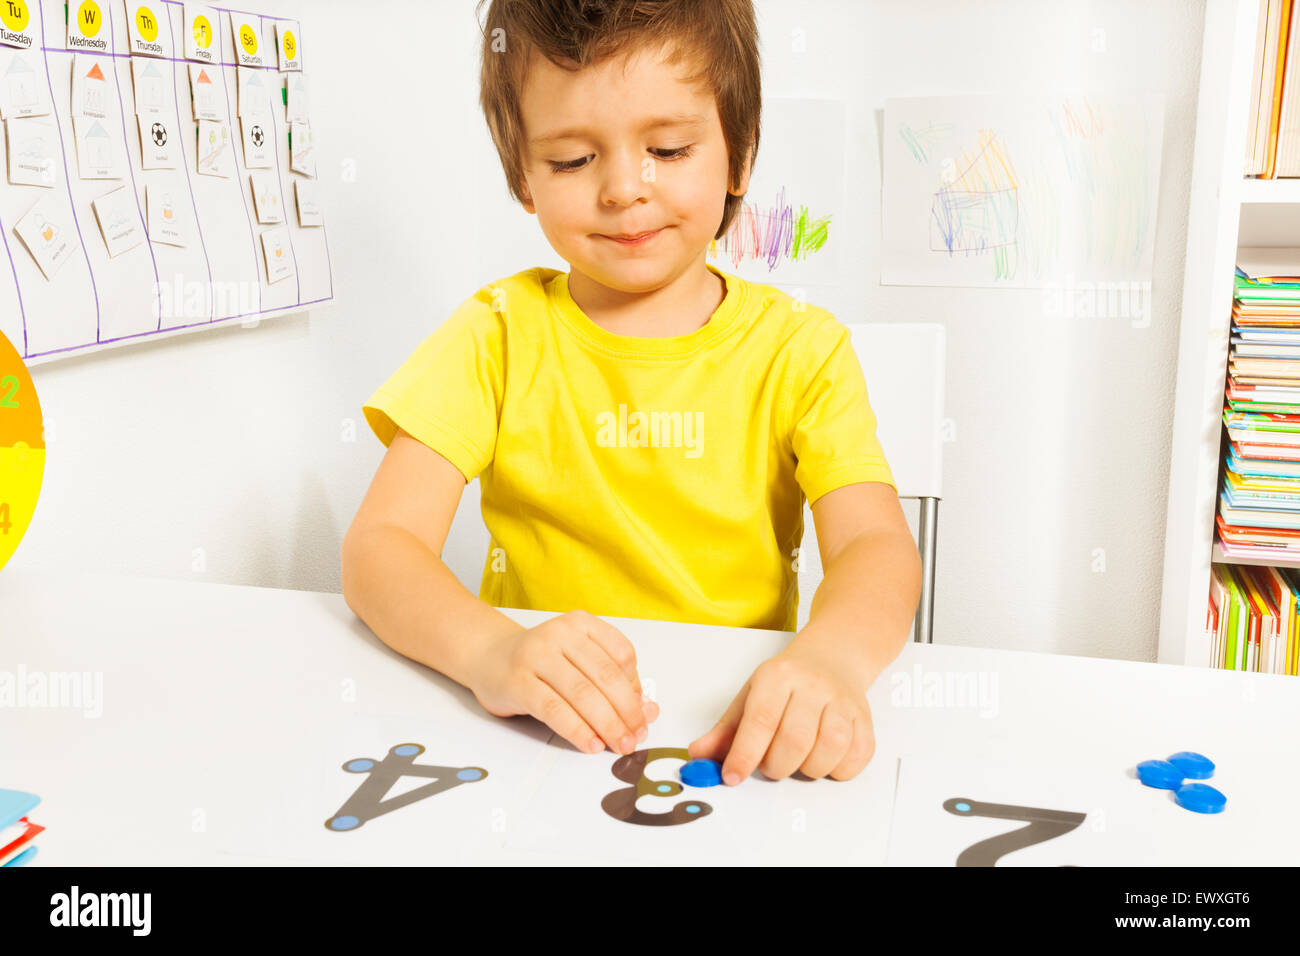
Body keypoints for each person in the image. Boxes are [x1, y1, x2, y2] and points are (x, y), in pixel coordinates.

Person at [342, 0, 921, 785]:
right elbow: (381, 548)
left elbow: (874, 547)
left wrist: (833, 661)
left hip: (727, 744)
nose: (623, 189)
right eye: (573, 161)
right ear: (522, 176)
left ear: (740, 153)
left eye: (669, 148)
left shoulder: (802, 351)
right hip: (541, 748)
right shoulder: (498, 332)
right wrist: (491, 651)